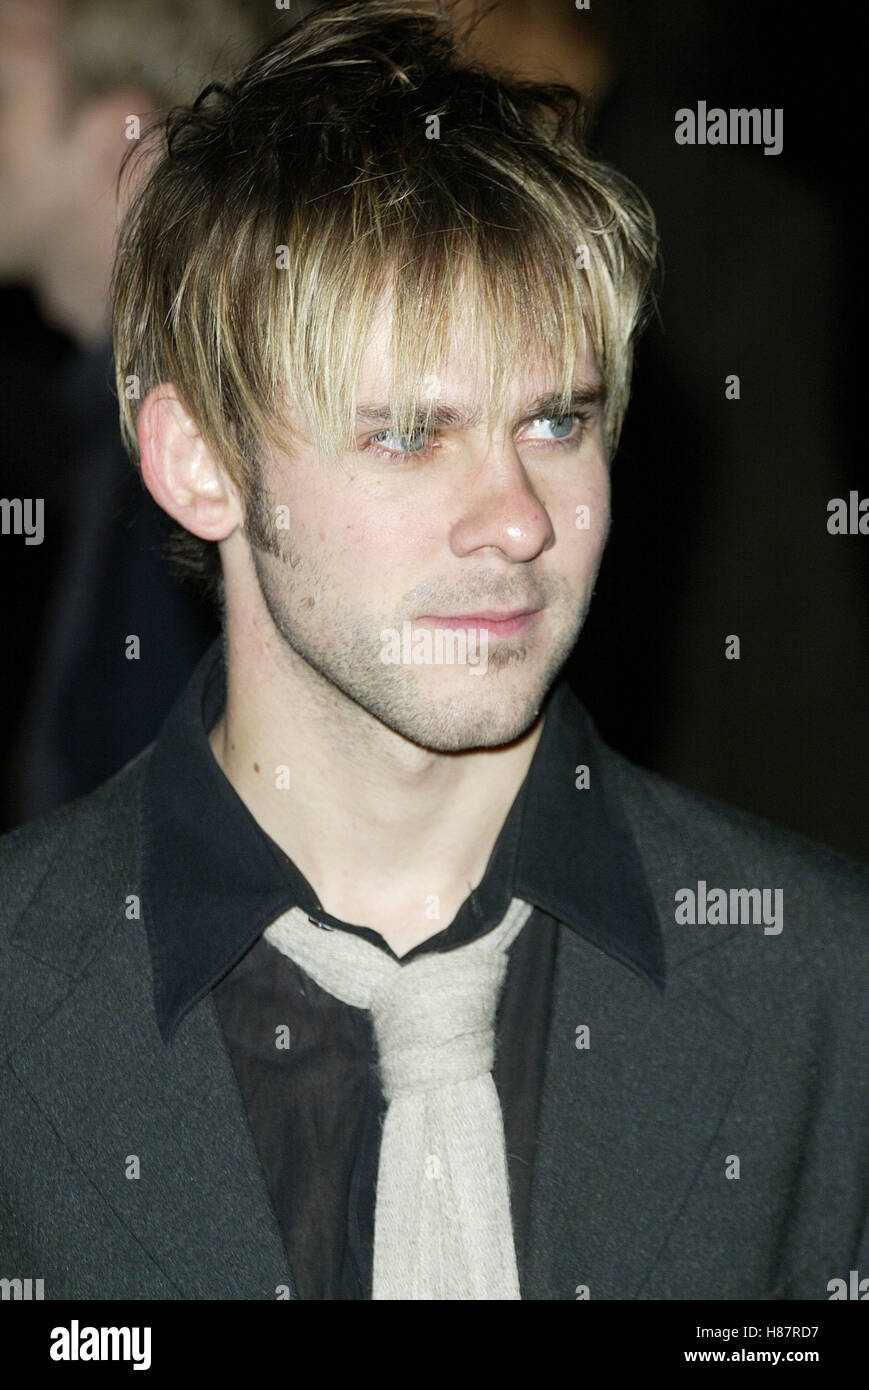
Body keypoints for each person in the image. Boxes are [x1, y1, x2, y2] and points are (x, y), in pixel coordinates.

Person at [0, 0, 866, 1301]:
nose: (519, 517)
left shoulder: (822, 983)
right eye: (408, 434)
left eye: (557, 421)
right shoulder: (23, 992)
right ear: (197, 463)